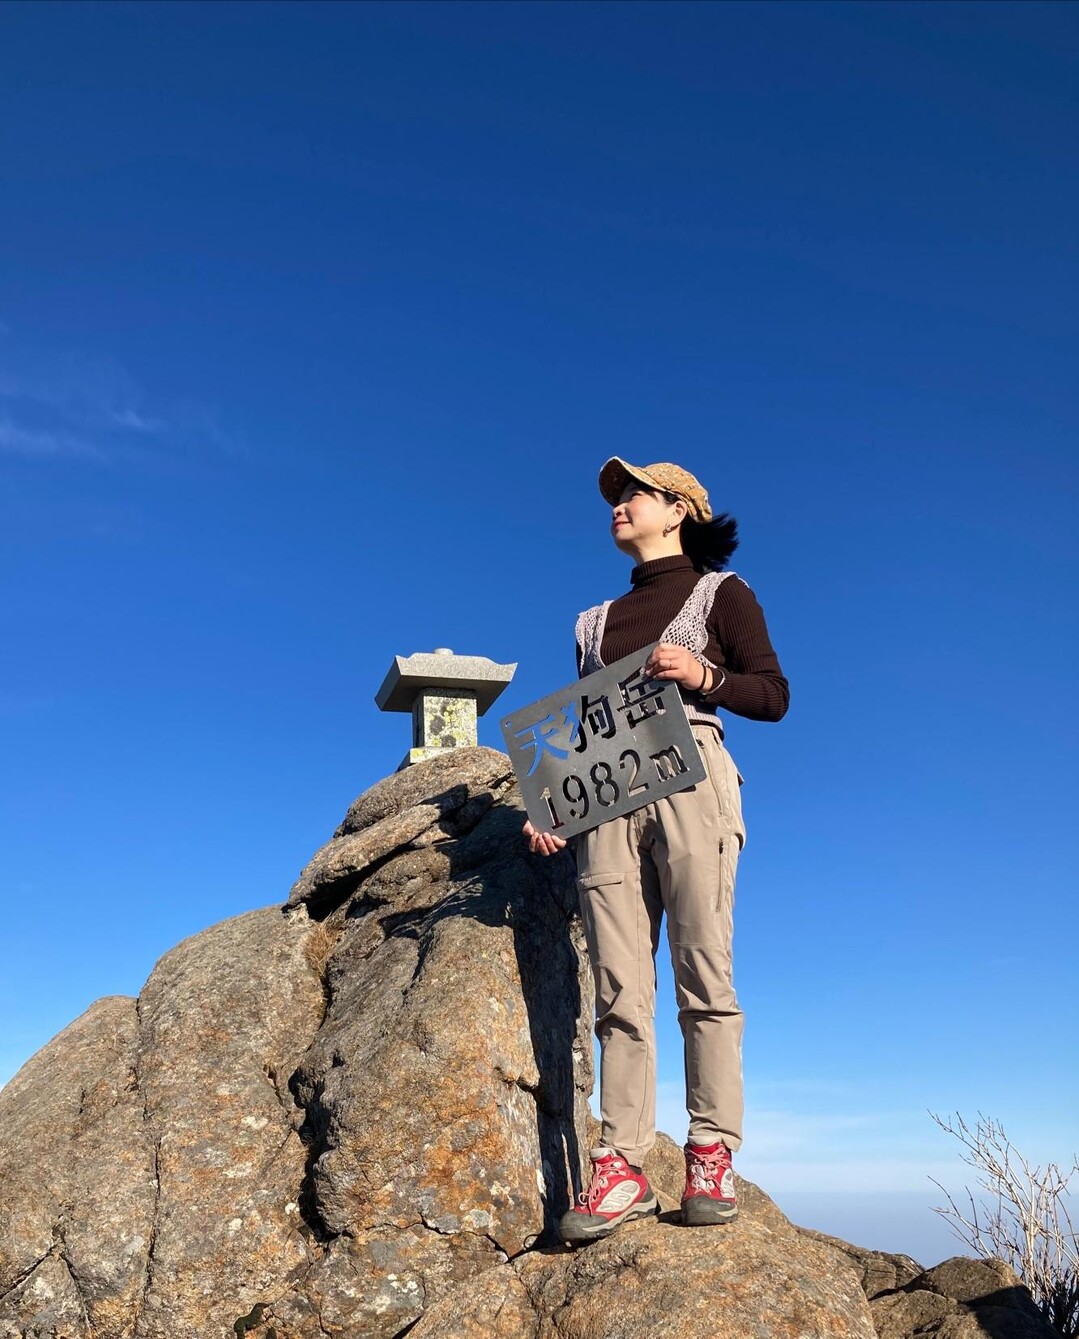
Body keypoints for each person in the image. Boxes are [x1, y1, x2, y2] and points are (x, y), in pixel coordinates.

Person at [523, 457, 789, 1244]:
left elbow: (772, 694)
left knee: (703, 969)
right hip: (607, 803)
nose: (618, 504)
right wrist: (554, 805)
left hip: (693, 777)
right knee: (617, 988)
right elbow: (588, 731)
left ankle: (709, 1150)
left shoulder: (721, 593)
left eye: (633, 493)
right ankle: (623, 1161)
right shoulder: (591, 622)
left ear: (678, 510)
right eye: (615, 495)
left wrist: (704, 672)